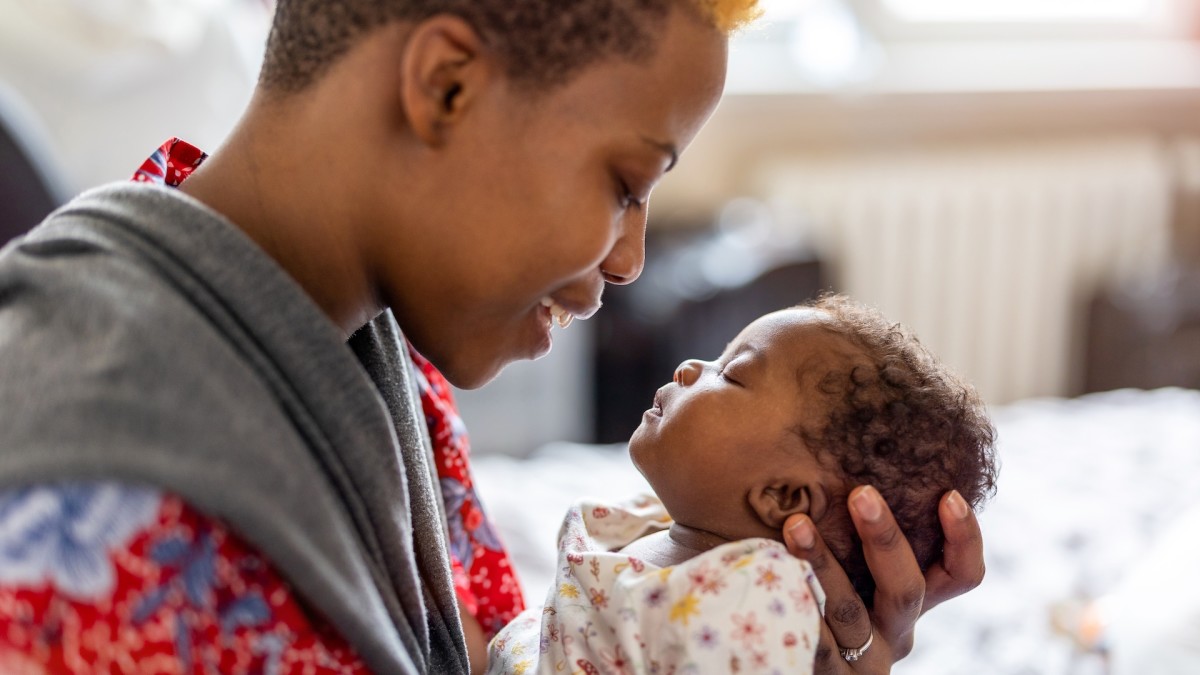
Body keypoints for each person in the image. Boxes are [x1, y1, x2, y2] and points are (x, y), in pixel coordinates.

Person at [0, 0, 987, 673]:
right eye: (625, 183)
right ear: (446, 89)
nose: (632, 258)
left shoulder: (365, 354)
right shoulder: (96, 531)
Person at [487, 296, 997, 673]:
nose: (690, 367)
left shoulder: (749, 608)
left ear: (782, 498)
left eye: (730, 374)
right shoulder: (669, 523)